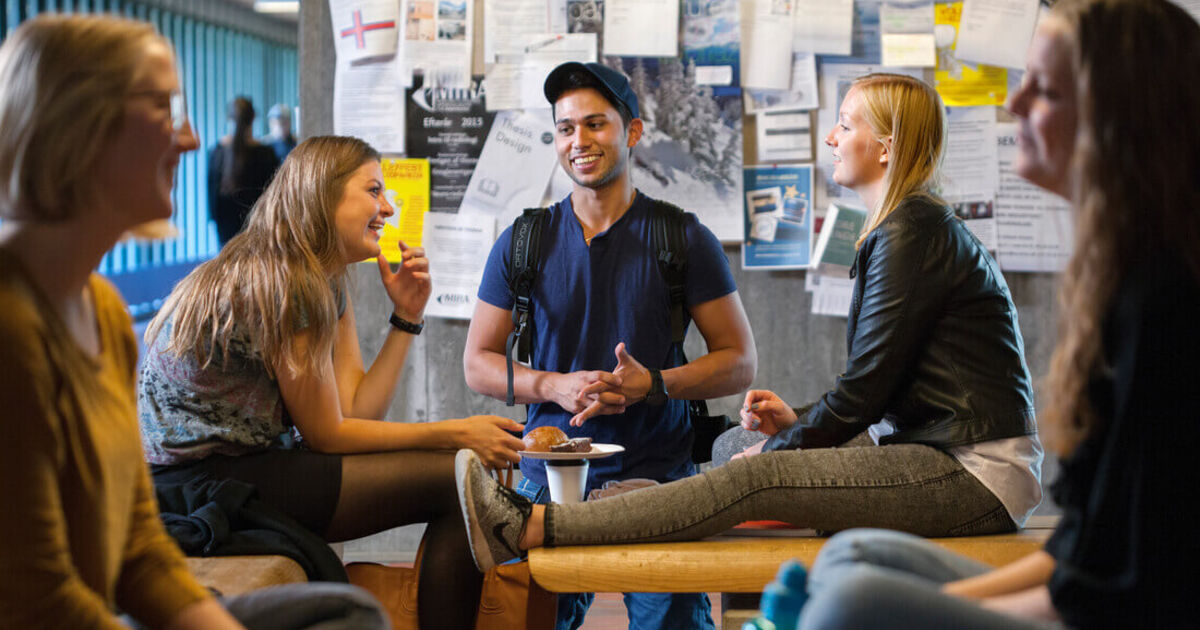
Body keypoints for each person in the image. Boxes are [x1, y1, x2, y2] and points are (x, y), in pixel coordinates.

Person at [454, 72, 1045, 576]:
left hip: (974, 474)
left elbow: (865, 391)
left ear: (886, 148)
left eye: (845, 125)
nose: (832, 137)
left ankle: (531, 526)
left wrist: (779, 449)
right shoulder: (906, 227)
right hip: (943, 452)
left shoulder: (910, 231)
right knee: (739, 449)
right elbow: (886, 389)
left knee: (752, 477)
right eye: (565, 128)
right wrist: (796, 426)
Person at [794, 0, 1200, 628]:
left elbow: (1115, 588)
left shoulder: (1166, 299)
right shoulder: (1122, 275)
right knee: (851, 562)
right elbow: (1082, 545)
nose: (1014, 103)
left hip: (1122, 612)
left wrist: (917, 614)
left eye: (1046, 90)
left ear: (1119, 118)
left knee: (850, 603)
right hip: (1086, 587)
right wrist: (932, 609)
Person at [0, 14, 385, 630]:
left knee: (346, 612)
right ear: (78, 125)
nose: (189, 137)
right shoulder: (13, 328)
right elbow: (37, 599)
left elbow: (138, 549)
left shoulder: (100, 310)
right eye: (163, 109)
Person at [139, 135, 526, 630]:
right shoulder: (285, 278)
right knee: (455, 482)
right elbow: (328, 436)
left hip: (238, 466)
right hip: (198, 484)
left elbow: (356, 413)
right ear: (323, 194)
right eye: (373, 190)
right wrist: (456, 432)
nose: (388, 208)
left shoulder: (321, 275)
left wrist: (407, 316)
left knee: (456, 478)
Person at [462, 61, 757, 629]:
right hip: (548, 482)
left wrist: (656, 384)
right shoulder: (523, 242)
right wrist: (552, 385)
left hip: (660, 480)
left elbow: (739, 361)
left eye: (595, 124)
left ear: (633, 131)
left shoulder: (683, 238)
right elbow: (478, 364)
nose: (579, 141)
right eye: (566, 128)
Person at [209, 96, 279, 245]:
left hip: (225, 236)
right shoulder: (266, 154)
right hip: (258, 231)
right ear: (253, 119)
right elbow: (273, 197)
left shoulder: (217, 153)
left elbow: (213, 207)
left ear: (229, 118)